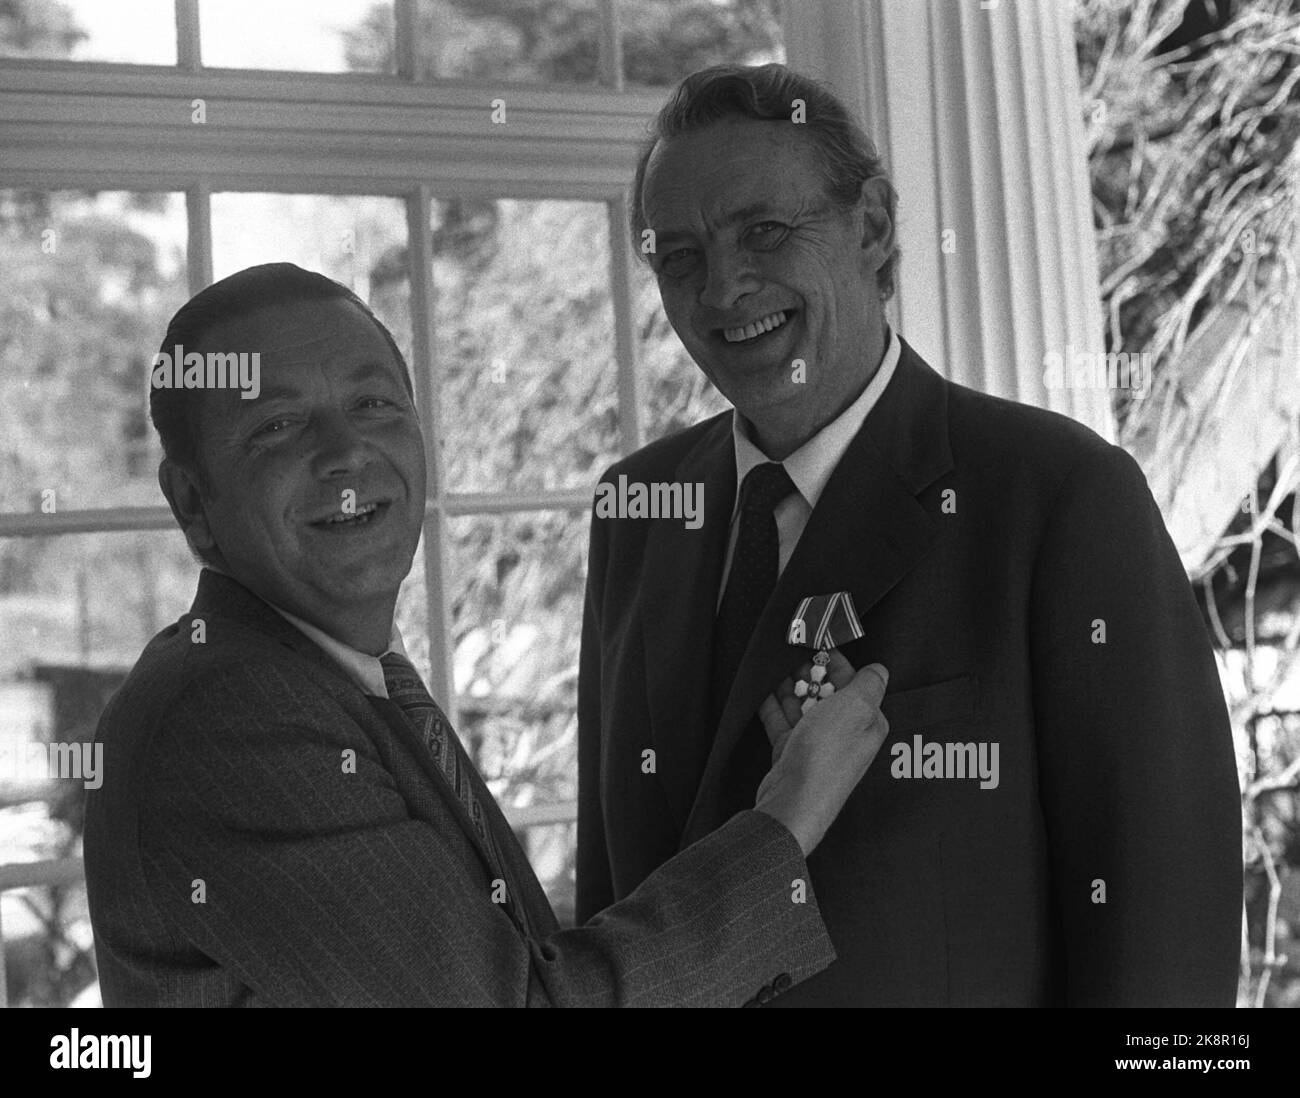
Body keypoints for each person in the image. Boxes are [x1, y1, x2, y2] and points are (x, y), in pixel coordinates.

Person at [576, 64, 1243, 1006]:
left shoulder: (1061, 496)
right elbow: (611, 893)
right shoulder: (635, 511)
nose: (724, 287)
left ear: (876, 226)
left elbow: (1168, 936)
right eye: (679, 256)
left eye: (764, 231)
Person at [83, 262, 892, 1008]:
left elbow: (505, 961)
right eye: (278, 428)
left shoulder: (333, 675)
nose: (346, 453)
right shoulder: (227, 717)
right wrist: (783, 821)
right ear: (192, 503)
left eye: (373, 404)